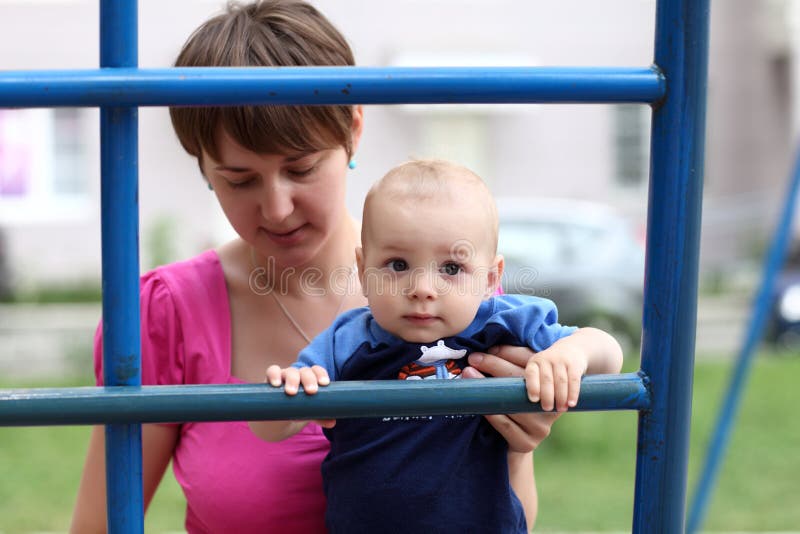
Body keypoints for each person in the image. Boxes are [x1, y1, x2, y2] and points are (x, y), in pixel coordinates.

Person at [70, 1, 577, 532]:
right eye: (240, 179)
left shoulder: (453, 291)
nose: (277, 208)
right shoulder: (165, 314)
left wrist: (515, 449)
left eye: (302, 168)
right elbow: (98, 524)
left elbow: (508, 517)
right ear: (203, 167)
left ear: (353, 131)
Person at [250, 159, 624, 533]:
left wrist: (571, 353)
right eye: (397, 264)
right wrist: (292, 391)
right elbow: (269, 429)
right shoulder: (348, 339)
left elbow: (608, 355)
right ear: (364, 271)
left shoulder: (501, 323)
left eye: (450, 268)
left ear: (490, 277)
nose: (422, 288)